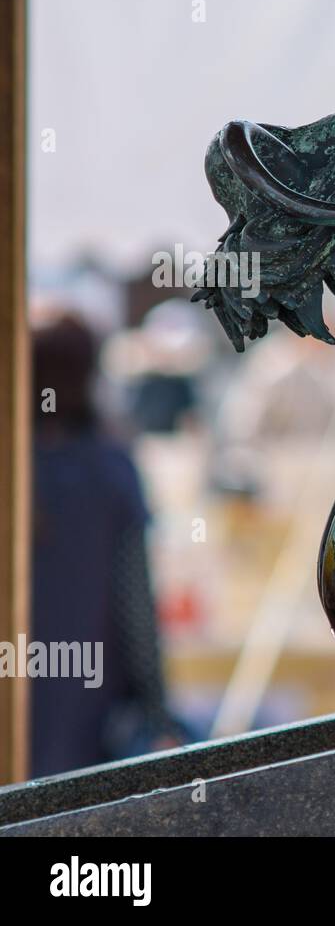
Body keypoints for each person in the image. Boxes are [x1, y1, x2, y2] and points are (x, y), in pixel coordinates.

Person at [29, 311, 184, 776]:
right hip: (86, 712)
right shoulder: (109, 467)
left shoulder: (24, 465)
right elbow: (134, 601)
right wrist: (157, 710)